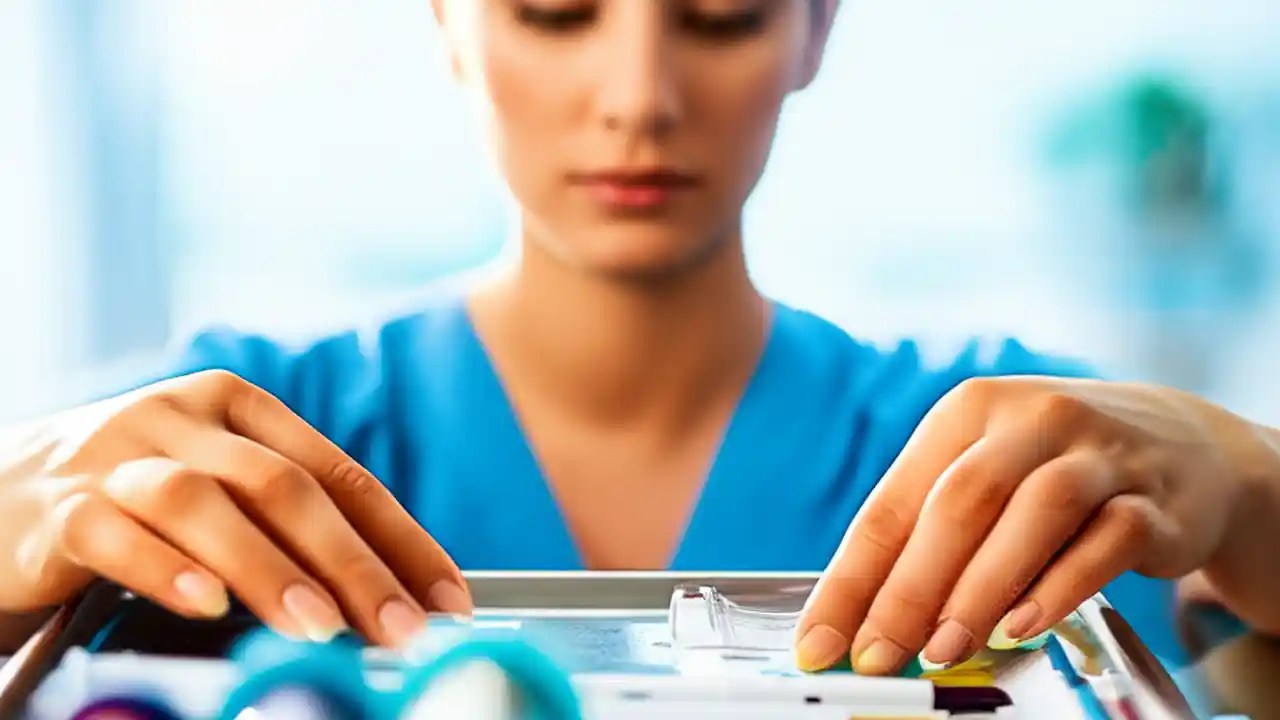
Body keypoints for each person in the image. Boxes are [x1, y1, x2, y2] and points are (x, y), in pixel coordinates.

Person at [1, 0, 1277, 678]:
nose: (637, 99)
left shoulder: (1046, 453)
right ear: (446, 18)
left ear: (814, 26)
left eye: (718, 16)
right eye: (556, 12)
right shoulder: (209, 440)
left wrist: (1253, 487)